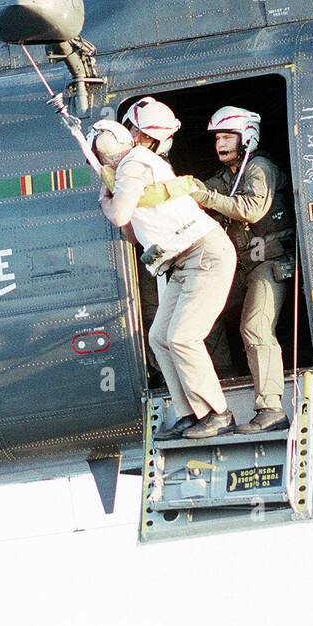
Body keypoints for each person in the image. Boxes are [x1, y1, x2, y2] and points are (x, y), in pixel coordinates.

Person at [94, 101, 237, 440]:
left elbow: (117, 216)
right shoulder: (135, 167)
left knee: (182, 337)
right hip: (181, 262)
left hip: (204, 255)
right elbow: (129, 230)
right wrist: (113, 189)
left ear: (136, 132)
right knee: (160, 337)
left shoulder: (137, 163)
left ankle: (219, 413)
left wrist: (104, 197)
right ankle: (189, 414)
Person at [191, 106, 296, 434]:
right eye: (217, 137)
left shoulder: (259, 168)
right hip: (241, 267)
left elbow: (249, 210)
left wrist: (204, 196)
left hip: (270, 264)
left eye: (226, 136)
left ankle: (271, 407)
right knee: (202, 319)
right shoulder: (226, 178)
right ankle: (221, 384)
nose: (219, 143)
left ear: (245, 137)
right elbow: (199, 194)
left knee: (255, 328)